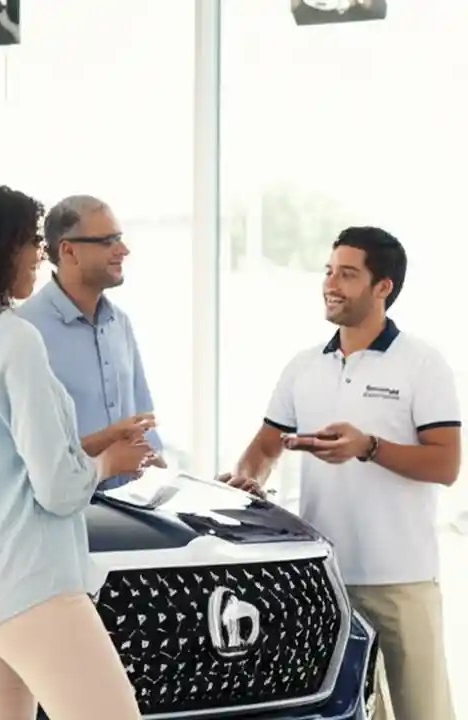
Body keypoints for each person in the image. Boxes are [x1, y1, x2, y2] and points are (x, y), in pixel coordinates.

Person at [0, 181, 151, 720]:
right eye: (27, 243)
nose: (37, 257)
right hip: (31, 585)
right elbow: (59, 489)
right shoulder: (14, 340)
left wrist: (91, 442)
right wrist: (109, 463)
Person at [221, 226, 459, 720]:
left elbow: (446, 464)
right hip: (323, 580)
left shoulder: (422, 363)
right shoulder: (304, 366)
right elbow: (266, 445)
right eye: (329, 271)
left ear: (382, 287)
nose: (331, 283)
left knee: (423, 712)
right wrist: (249, 479)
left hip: (401, 580)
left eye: (348, 274)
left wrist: (367, 446)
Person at [17, 195, 162, 489]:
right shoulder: (24, 332)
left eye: (119, 238)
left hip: (130, 516)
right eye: (107, 241)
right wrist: (106, 457)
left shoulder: (120, 324)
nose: (123, 250)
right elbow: (25, 457)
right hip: (62, 518)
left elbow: (145, 428)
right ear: (69, 251)